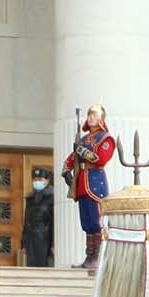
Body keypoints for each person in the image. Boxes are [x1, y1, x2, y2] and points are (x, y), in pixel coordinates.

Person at [62, 105, 114, 270]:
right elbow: (72, 157)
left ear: (101, 119)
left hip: (95, 182)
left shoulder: (105, 139)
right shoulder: (84, 139)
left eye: (94, 115)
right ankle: (89, 256)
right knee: (86, 222)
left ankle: (96, 257)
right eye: (89, 115)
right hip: (82, 182)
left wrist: (81, 151)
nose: (90, 118)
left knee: (95, 221)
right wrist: (66, 169)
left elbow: (100, 159)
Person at [22, 165, 55, 268]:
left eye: (40, 179)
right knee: (31, 267)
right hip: (31, 238)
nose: (37, 181)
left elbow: (54, 222)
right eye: (35, 179)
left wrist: (54, 243)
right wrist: (23, 243)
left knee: (44, 267)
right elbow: (26, 220)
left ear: (47, 180)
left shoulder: (52, 196)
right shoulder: (30, 197)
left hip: (45, 238)